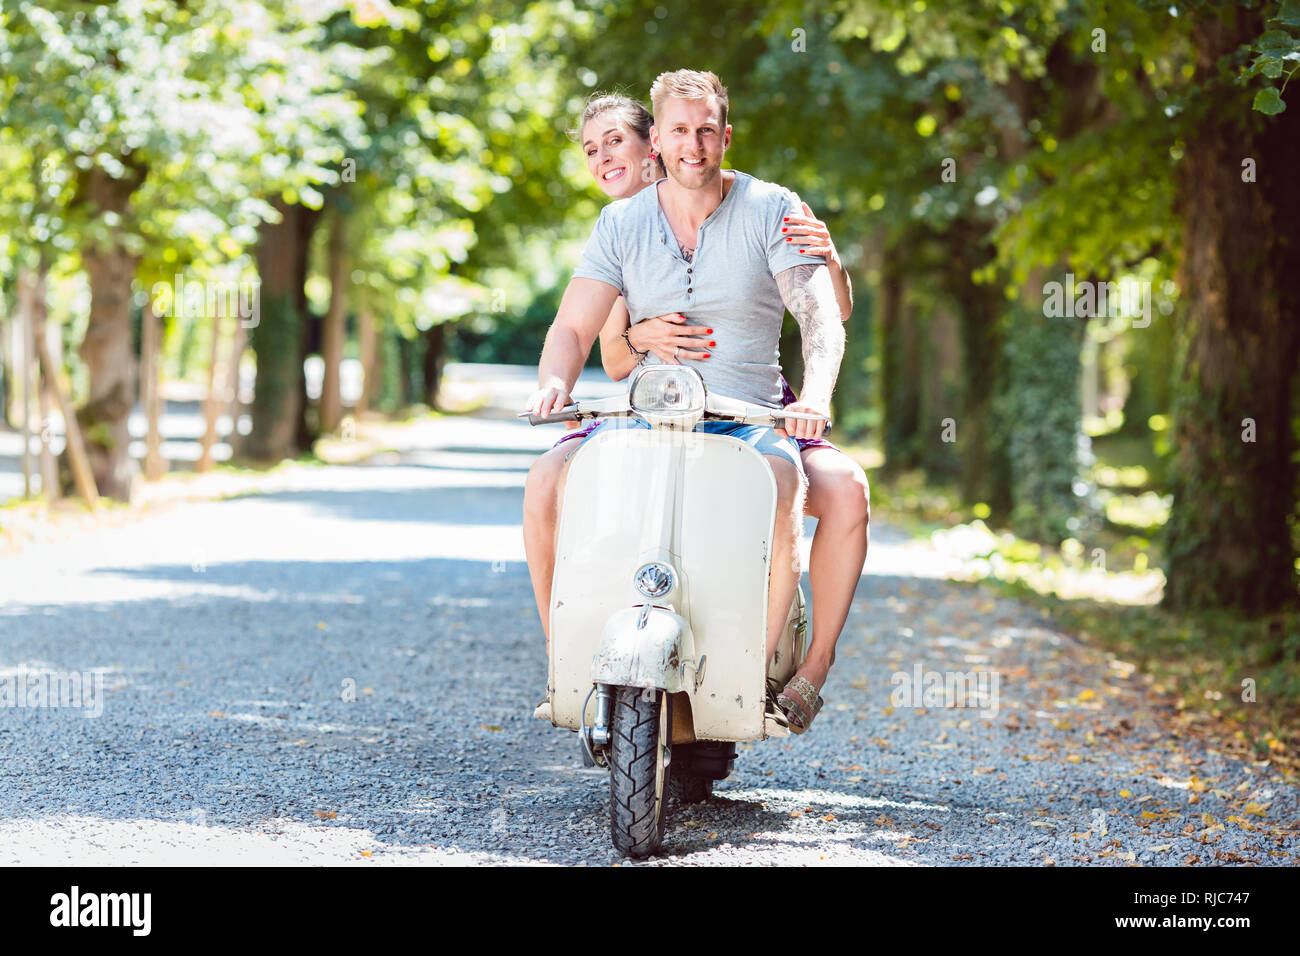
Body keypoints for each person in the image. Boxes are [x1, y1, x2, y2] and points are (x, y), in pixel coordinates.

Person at [523, 71, 869, 732]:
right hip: (645, 416)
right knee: (544, 480)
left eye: (707, 129)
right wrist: (554, 382)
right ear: (658, 138)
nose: (695, 144)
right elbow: (571, 328)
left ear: (726, 134)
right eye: (680, 130)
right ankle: (562, 664)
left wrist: (816, 395)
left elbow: (822, 319)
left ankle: (766, 677)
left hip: (748, 421)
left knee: (789, 478)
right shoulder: (620, 222)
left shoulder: (773, 208)